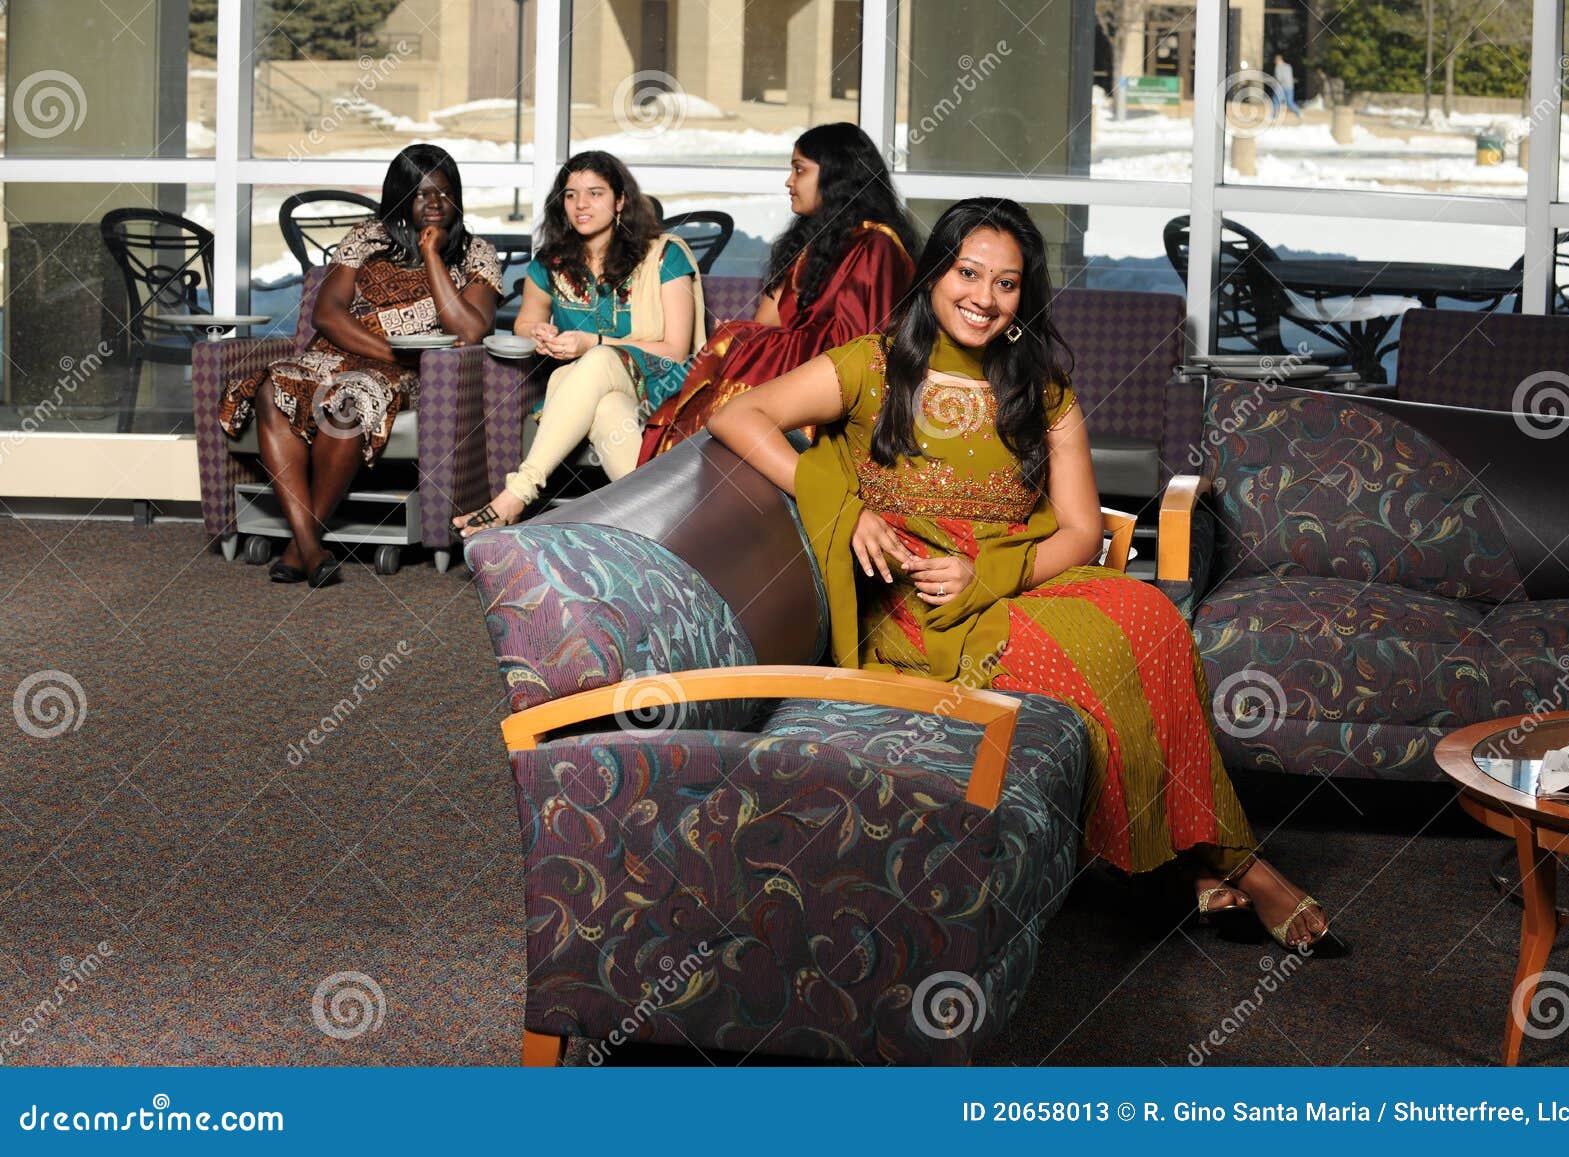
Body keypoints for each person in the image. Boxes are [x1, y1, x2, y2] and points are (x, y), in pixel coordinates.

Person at [707, 198, 1343, 955]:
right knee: (1091, 658)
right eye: (967, 273)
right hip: (915, 608)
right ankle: (1237, 860)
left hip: (1007, 579)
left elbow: (1079, 530)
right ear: (934, 274)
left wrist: (986, 574)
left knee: (1153, 621)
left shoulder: (1039, 387)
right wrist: (847, 507)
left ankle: (1177, 863)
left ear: (1024, 296)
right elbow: (738, 414)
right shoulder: (872, 367)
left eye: (1006, 283)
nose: (983, 297)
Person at [219, 144, 500, 587]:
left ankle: (300, 546)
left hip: (413, 374)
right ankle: (310, 546)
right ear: (400, 195)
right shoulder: (367, 237)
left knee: (348, 400)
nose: (433, 204)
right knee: (272, 390)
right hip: (339, 355)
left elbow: (470, 331)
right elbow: (327, 313)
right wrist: (388, 350)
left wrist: (432, 257)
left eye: (443, 194)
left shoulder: (476, 254)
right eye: (421, 193)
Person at [454, 151, 705, 534]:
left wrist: (595, 344)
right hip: (589, 391)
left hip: (663, 386)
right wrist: (537, 332)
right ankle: (664, 533)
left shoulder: (664, 256)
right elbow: (525, 322)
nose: (581, 205)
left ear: (620, 200)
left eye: (595, 193)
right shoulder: (552, 261)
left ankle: (516, 495)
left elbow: (676, 350)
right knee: (607, 410)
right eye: (570, 195)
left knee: (600, 357)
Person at [636, 122, 918, 463]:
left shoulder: (877, 244)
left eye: (799, 170)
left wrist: (748, 340)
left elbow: (857, 348)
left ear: (837, 176)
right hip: (790, 376)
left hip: (827, 393)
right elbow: (768, 322)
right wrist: (747, 338)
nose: (789, 182)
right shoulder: (808, 241)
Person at [1272, 54, 1304, 121]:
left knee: (1276, 101)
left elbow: (1279, 78)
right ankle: (1299, 113)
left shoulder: (1278, 67)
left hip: (1281, 87)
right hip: (1290, 87)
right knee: (1290, 102)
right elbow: (1290, 77)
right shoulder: (1288, 66)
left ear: (1277, 60)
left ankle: (1273, 117)